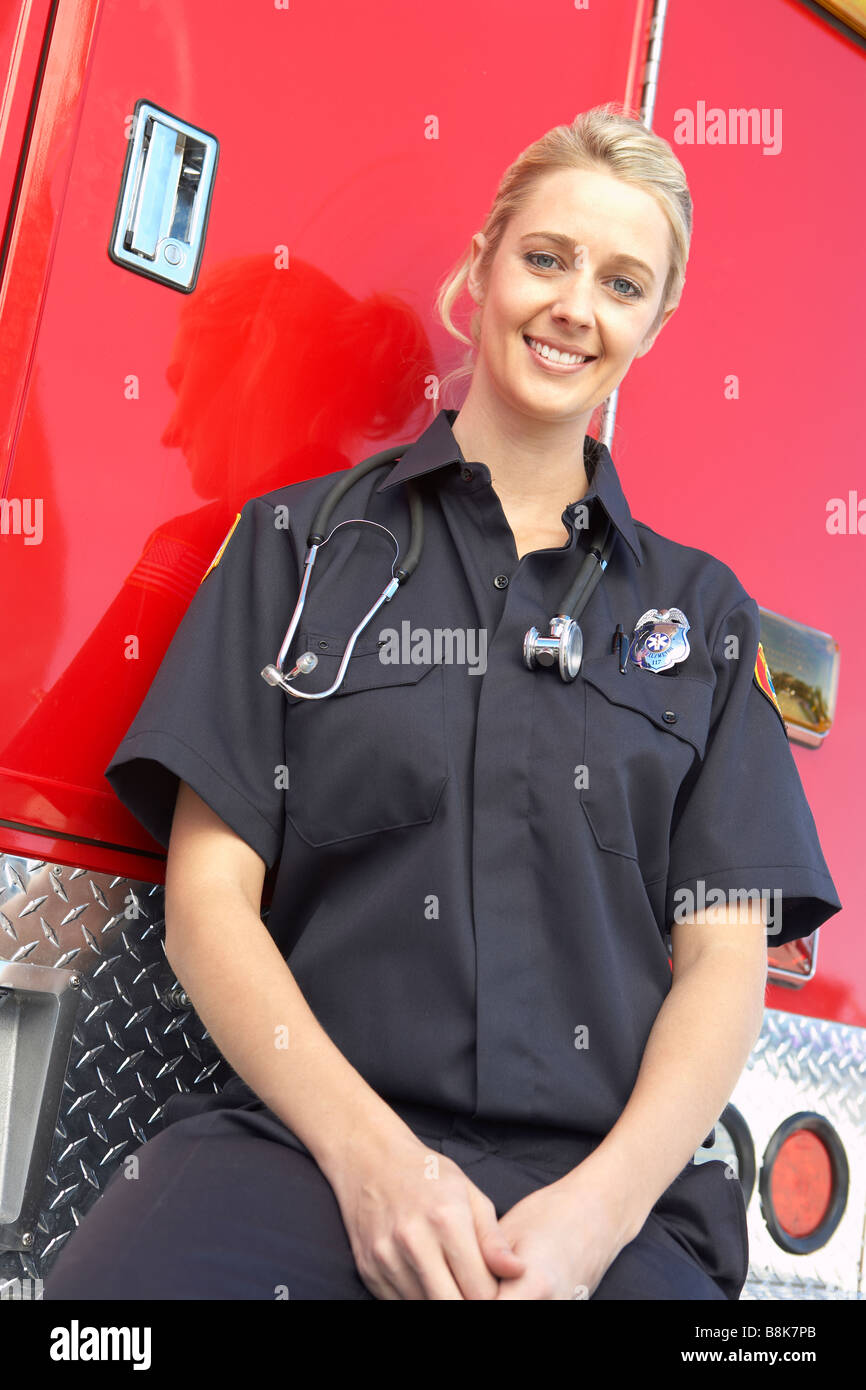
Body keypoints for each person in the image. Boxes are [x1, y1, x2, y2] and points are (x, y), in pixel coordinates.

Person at [43, 103, 841, 1302]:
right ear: (480, 266)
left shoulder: (702, 616)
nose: (576, 305)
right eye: (546, 257)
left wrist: (592, 1220)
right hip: (309, 1148)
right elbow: (209, 900)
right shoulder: (293, 548)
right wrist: (373, 1166)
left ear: (653, 326)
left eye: (622, 283)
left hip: (605, 1191)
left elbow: (722, 961)